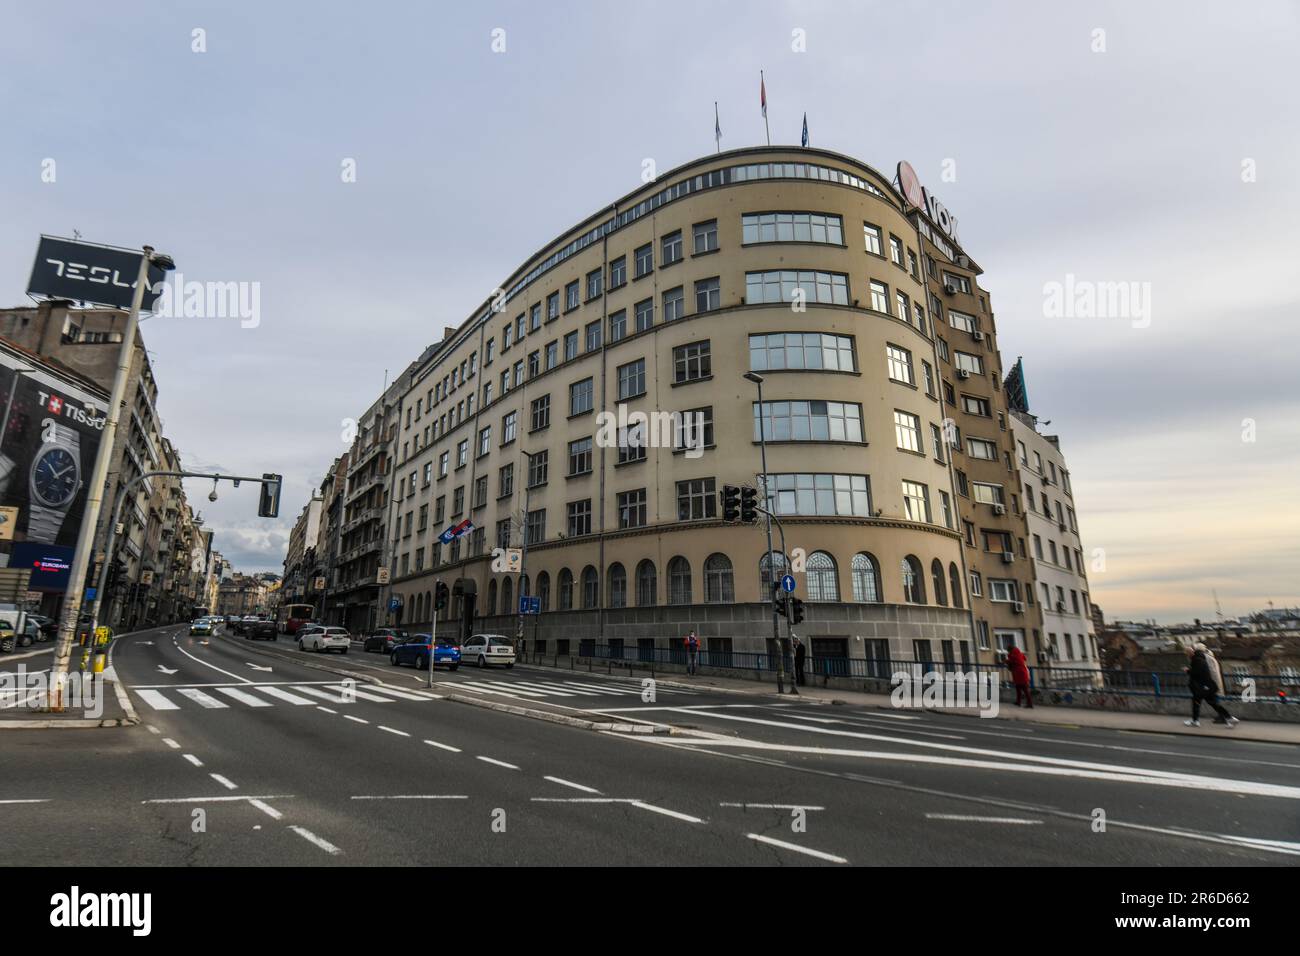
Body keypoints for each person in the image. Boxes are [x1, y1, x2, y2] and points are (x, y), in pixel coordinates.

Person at [1185, 644, 1237, 727]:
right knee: (1212, 703)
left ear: (1192, 652)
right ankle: (1229, 718)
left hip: (1201, 687)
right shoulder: (1203, 657)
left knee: (1201, 703)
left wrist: (1188, 671)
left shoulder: (1197, 659)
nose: (1187, 655)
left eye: (1187, 653)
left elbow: (1197, 673)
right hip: (1206, 686)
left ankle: (1196, 721)